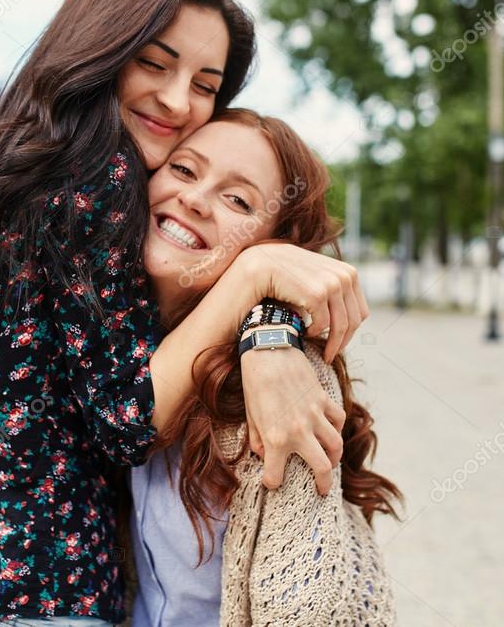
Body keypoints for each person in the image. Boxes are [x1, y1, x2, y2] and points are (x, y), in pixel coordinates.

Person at [0, 0, 368, 626]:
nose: (179, 100)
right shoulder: (85, 185)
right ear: (100, 48)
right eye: (154, 63)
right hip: (40, 606)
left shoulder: (23, 168)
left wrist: (268, 329)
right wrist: (252, 276)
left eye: (206, 84)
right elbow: (126, 421)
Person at [128, 109, 402, 626]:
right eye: (184, 169)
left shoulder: (276, 380)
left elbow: (305, 604)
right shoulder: (107, 333)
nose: (193, 198)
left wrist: (270, 329)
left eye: (238, 199)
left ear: (277, 246)